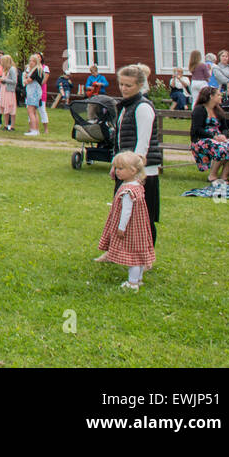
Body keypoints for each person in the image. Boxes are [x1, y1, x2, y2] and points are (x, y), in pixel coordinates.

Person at [115, 64, 161, 244]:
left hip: (143, 172)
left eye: (128, 85)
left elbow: (143, 144)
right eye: (121, 84)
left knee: (144, 216)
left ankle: (147, 254)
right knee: (121, 213)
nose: (124, 89)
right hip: (126, 170)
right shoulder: (126, 107)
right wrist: (116, 166)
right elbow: (120, 139)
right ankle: (118, 251)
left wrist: (136, 173)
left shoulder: (142, 108)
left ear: (140, 85)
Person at [95, 152, 156, 291]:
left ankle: (132, 282)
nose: (117, 171)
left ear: (133, 171)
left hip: (130, 228)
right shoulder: (138, 185)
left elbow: (126, 212)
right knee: (139, 254)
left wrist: (121, 228)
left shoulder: (128, 191)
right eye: (116, 168)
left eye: (121, 168)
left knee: (133, 256)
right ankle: (138, 279)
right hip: (139, 227)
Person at [191, 85, 229, 185]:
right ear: (211, 96)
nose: (220, 97)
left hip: (218, 138)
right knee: (221, 149)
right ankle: (212, 176)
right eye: (218, 95)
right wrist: (214, 137)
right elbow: (197, 129)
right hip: (202, 139)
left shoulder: (218, 110)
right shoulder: (199, 110)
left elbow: (224, 128)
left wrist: (224, 136)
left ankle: (224, 177)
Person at [22, 55, 44, 136]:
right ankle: (35, 129)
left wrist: (25, 79)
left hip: (33, 92)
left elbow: (29, 80)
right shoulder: (38, 70)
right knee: (34, 112)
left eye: (33, 61)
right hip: (34, 92)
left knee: (30, 111)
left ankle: (34, 129)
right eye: (30, 60)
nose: (31, 62)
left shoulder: (36, 70)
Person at [0, 55, 18, 131]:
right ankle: (5, 125)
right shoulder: (4, 69)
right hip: (3, 89)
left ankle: (12, 126)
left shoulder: (12, 69)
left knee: (10, 107)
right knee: (4, 107)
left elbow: (14, 81)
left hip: (9, 91)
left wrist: (5, 80)